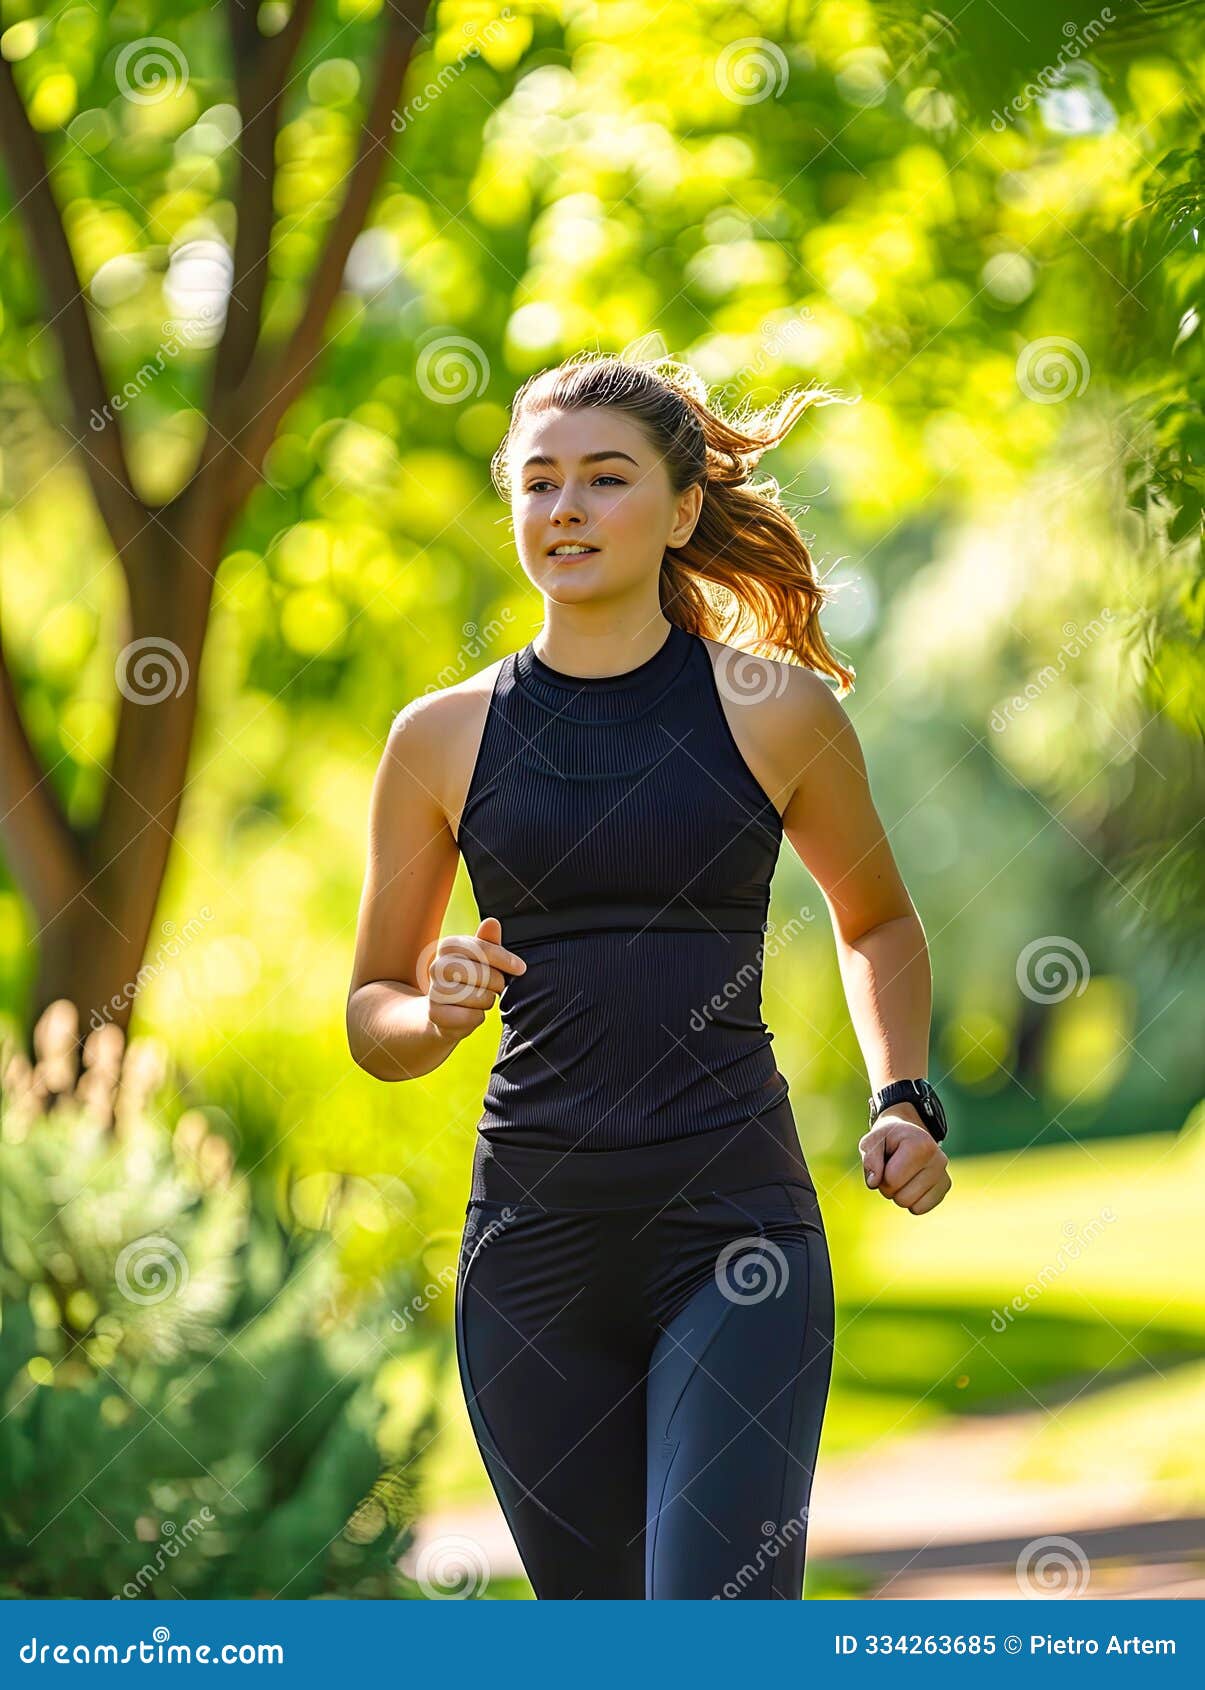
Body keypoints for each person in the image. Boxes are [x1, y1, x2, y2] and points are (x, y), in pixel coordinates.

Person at [346, 351, 952, 1600]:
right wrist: (436, 1013)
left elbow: (878, 923)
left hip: (736, 1235)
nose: (563, 508)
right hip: (531, 1258)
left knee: (712, 1632)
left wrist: (904, 1098)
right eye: (539, 482)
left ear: (681, 511)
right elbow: (371, 1013)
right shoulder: (439, 739)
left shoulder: (771, 710)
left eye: (604, 479)